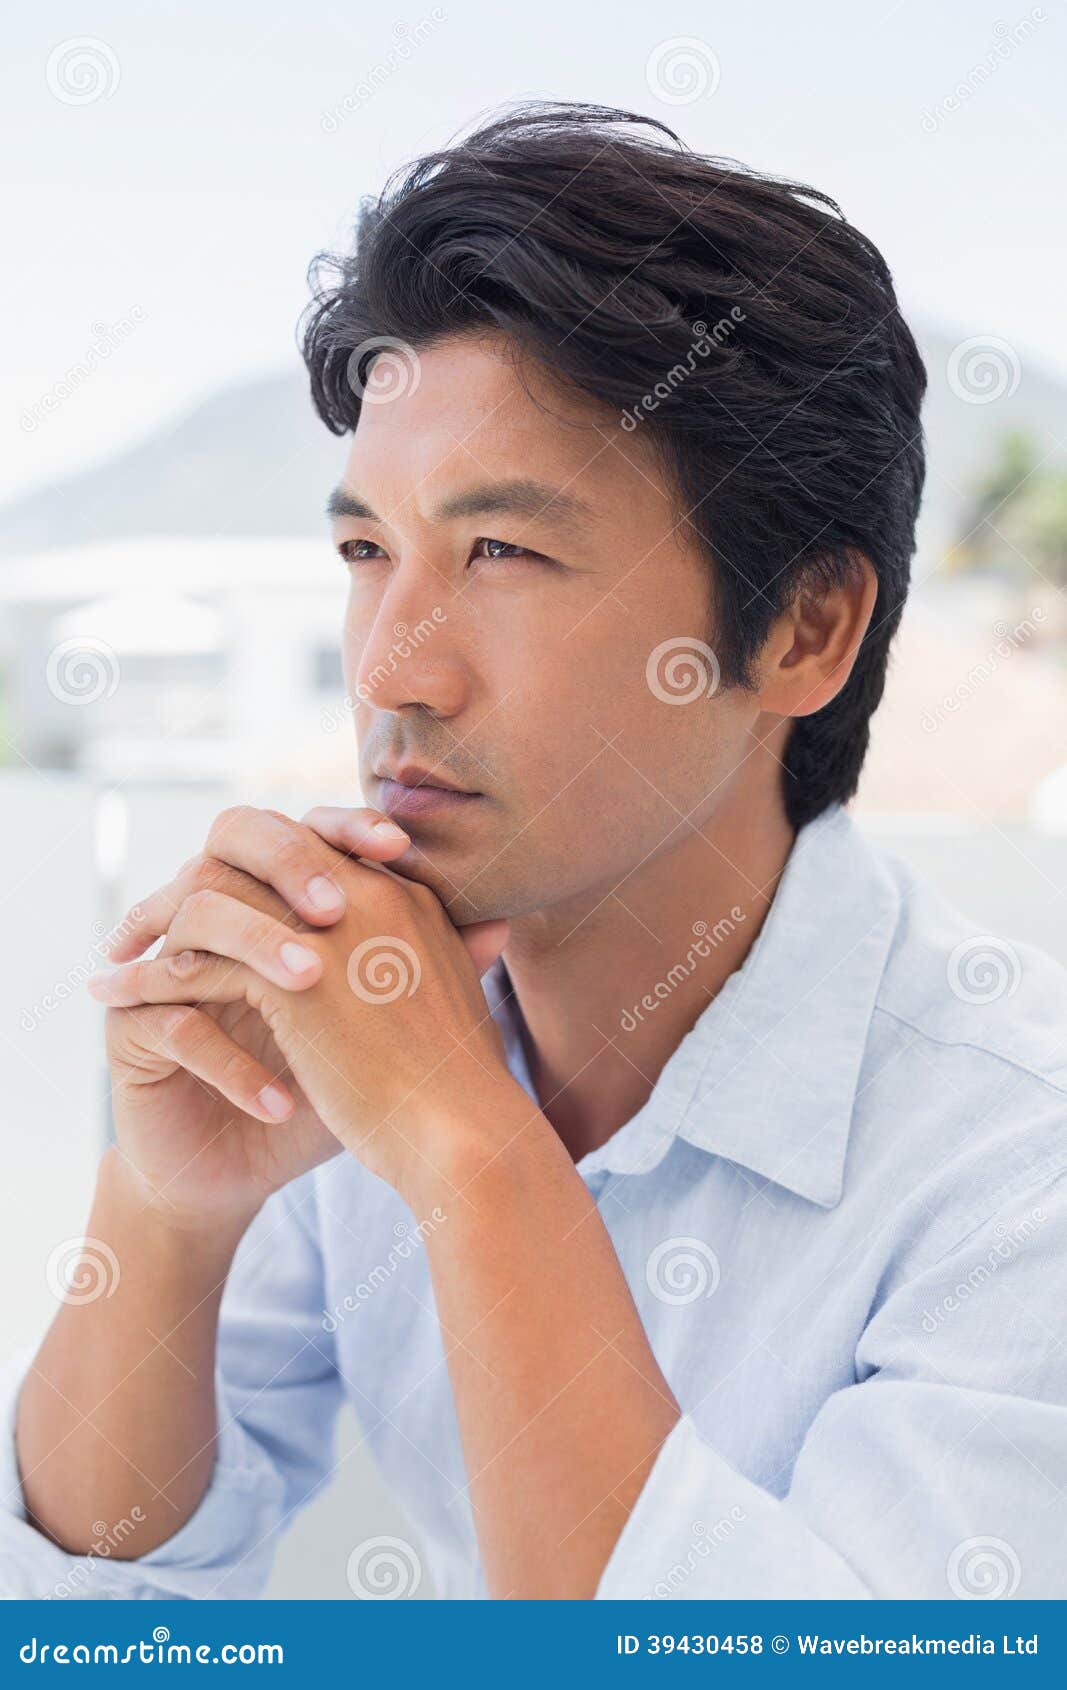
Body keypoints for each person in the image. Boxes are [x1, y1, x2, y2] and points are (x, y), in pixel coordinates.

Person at [5, 102, 1065, 1602]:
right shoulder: (354, 1025)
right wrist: (168, 1211)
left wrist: (469, 1154)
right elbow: (86, 1619)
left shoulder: (1022, 1168)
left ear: (806, 628)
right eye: (368, 553)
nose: (388, 671)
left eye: (503, 553)